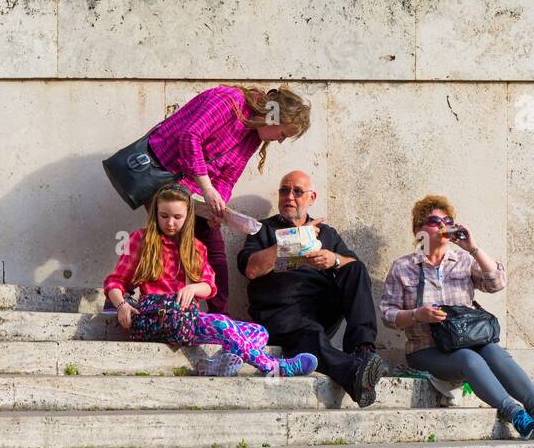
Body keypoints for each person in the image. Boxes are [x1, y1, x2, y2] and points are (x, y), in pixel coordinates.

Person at [380, 195, 534, 440]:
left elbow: (497, 283)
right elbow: (387, 314)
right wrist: (417, 315)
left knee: (494, 352)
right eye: (434, 221)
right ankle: (516, 415)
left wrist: (473, 248)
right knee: (469, 358)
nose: (442, 225)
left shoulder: (463, 260)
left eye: (447, 220)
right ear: (418, 230)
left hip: (469, 342)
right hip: (426, 350)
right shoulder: (403, 267)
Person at [103, 184, 317, 378]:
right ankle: (274, 367)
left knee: (259, 331)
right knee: (222, 323)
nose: (170, 223)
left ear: (188, 216)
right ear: (155, 215)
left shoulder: (196, 247)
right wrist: (121, 305)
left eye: (177, 216)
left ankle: (214, 366)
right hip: (156, 319)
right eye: (164, 215)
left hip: (187, 319)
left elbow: (210, 287)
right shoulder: (141, 240)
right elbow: (115, 282)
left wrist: (194, 288)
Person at [147, 84, 310, 312]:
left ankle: (219, 317)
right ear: (273, 116)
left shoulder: (254, 136)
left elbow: (228, 176)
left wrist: (218, 208)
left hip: (196, 193)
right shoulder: (230, 100)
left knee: (215, 253)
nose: (280, 141)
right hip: (165, 178)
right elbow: (190, 136)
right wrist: (207, 188)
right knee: (168, 246)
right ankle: (155, 307)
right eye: (282, 133)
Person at [237, 170, 387, 407]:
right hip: (280, 312)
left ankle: (363, 351)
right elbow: (252, 269)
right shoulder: (262, 229)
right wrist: (295, 239)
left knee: (356, 269)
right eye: (284, 190)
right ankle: (355, 374)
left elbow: (352, 265)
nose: (289, 196)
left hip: (319, 309)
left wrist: (334, 259)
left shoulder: (328, 233)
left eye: (297, 191)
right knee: (310, 335)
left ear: (312, 197)